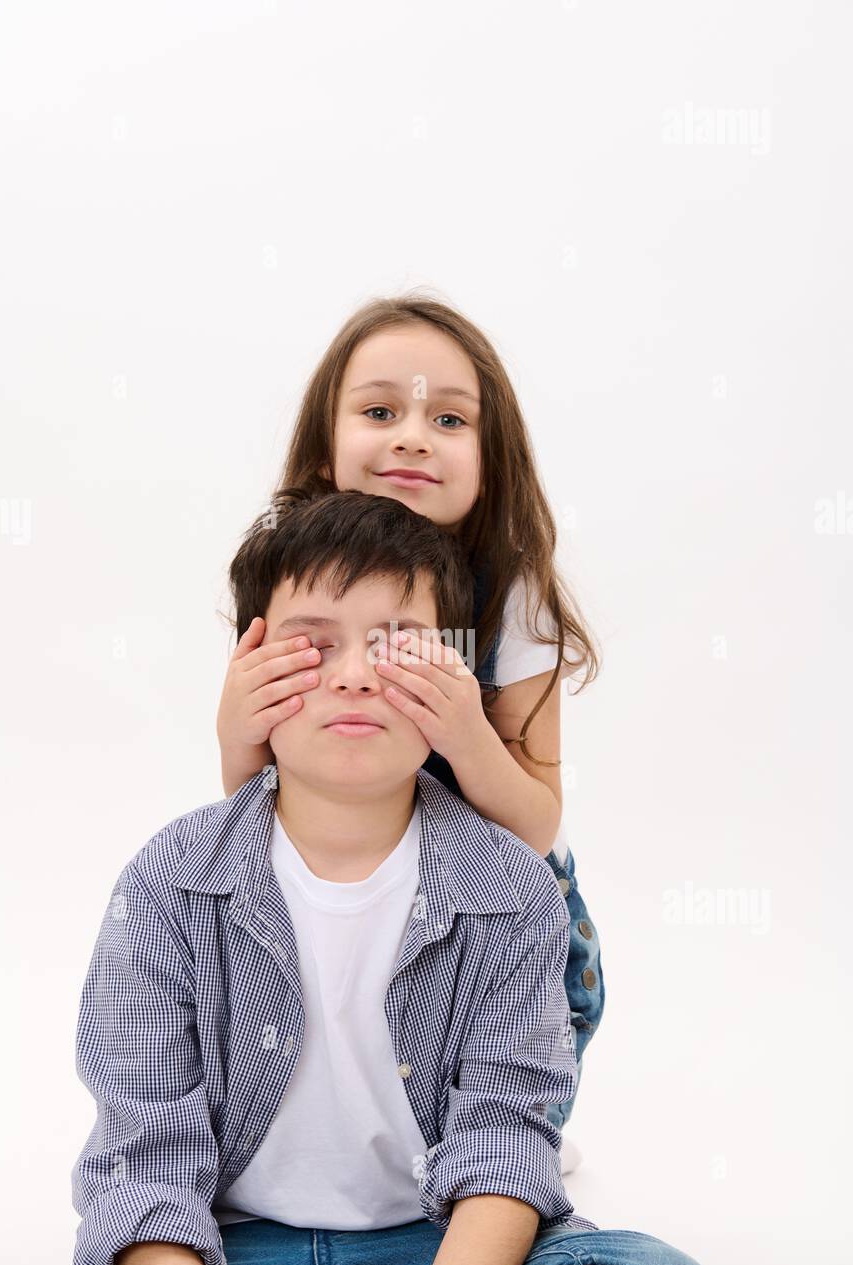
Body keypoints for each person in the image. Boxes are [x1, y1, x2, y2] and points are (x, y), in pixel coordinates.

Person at [43, 491, 720, 1265]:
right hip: (234, 1261)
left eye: (399, 646)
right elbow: (141, 1162)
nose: (357, 676)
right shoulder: (168, 882)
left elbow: (506, 1139)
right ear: (250, 671)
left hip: (448, 1254)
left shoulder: (509, 889)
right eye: (313, 647)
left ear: (456, 673)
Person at [216, 294, 605, 1162]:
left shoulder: (512, 596)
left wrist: (465, 734)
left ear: (489, 457)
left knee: (493, 1016)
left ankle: (503, 1120)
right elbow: (250, 806)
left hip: (487, 895)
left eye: (449, 418)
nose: (412, 436)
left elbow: (537, 821)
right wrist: (234, 732)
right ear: (325, 447)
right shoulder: (295, 574)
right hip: (346, 875)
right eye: (381, 410)